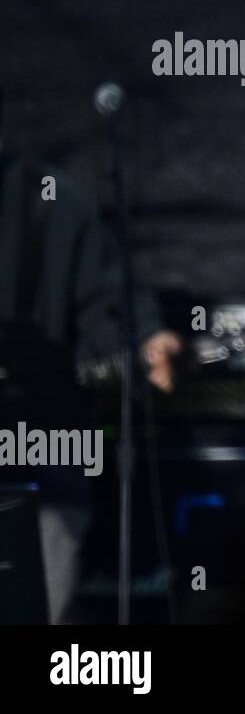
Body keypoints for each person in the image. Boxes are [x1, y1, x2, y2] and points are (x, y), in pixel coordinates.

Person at [0, 86, 181, 622]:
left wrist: (147, 339)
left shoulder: (50, 201)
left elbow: (109, 299)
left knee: (37, 605)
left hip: (39, 445)